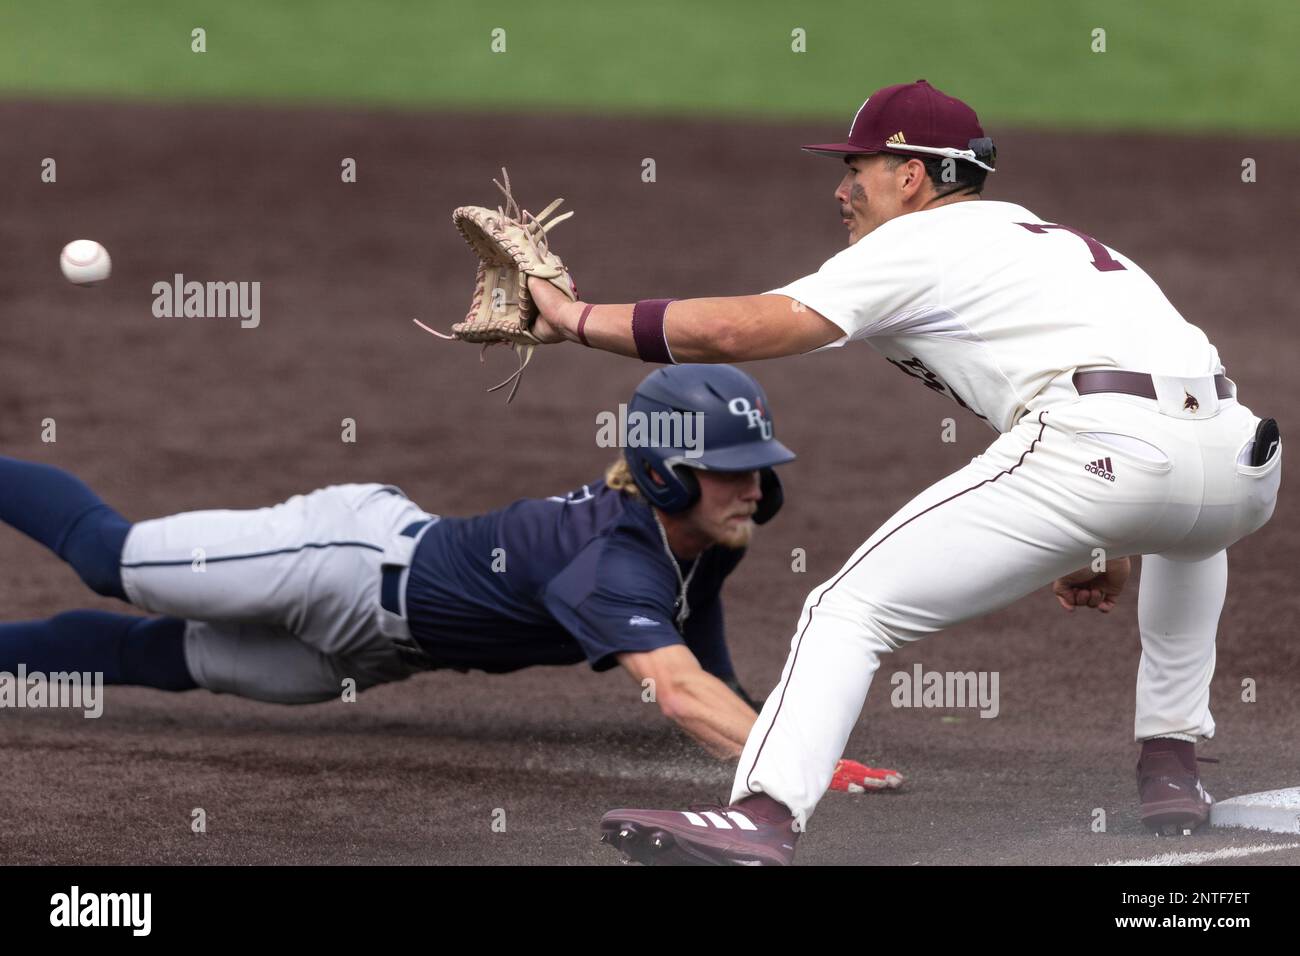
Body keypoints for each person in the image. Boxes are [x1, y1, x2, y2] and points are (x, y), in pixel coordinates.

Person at [521, 79, 1282, 864]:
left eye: (859, 168)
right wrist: (1112, 536)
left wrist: (574, 319)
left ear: (911, 175)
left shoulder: (914, 243)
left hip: (1108, 452)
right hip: (1238, 463)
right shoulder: (1057, 243)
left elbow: (729, 330)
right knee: (1193, 539)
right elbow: (1138, 409)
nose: (842, 189)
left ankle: (763, 815)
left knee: (847, 611)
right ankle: (1171, 768)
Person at [0, 364, 901, 792]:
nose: (755, 485)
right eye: (730, 467)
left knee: (166, 659)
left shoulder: (708, 541)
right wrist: (797, 768)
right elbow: (675, 694)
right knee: (113, 562)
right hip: (341, 563)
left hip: (376, 657)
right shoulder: (610, 562)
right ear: (665, 471)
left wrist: (766, 725)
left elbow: (703, 658)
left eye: (758, 464)